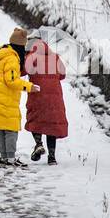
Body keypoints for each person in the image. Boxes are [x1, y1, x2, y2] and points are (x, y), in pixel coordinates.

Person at [0, 27, 39, 168]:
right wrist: (29, 86)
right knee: (11, 129)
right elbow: (11, 81)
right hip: (5, 99)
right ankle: (10, 159)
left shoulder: (3, 54)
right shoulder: (12, 58)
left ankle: (4, 158)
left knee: (2, 129)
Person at [24, 34, 68, 165]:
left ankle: (38, 144)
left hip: (38, 93)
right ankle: (52, 157)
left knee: (35, 119)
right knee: (52, 124)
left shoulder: (31, 57)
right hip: (55, 96)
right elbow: (63, 74)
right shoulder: (55, 57)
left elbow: (23, 70)